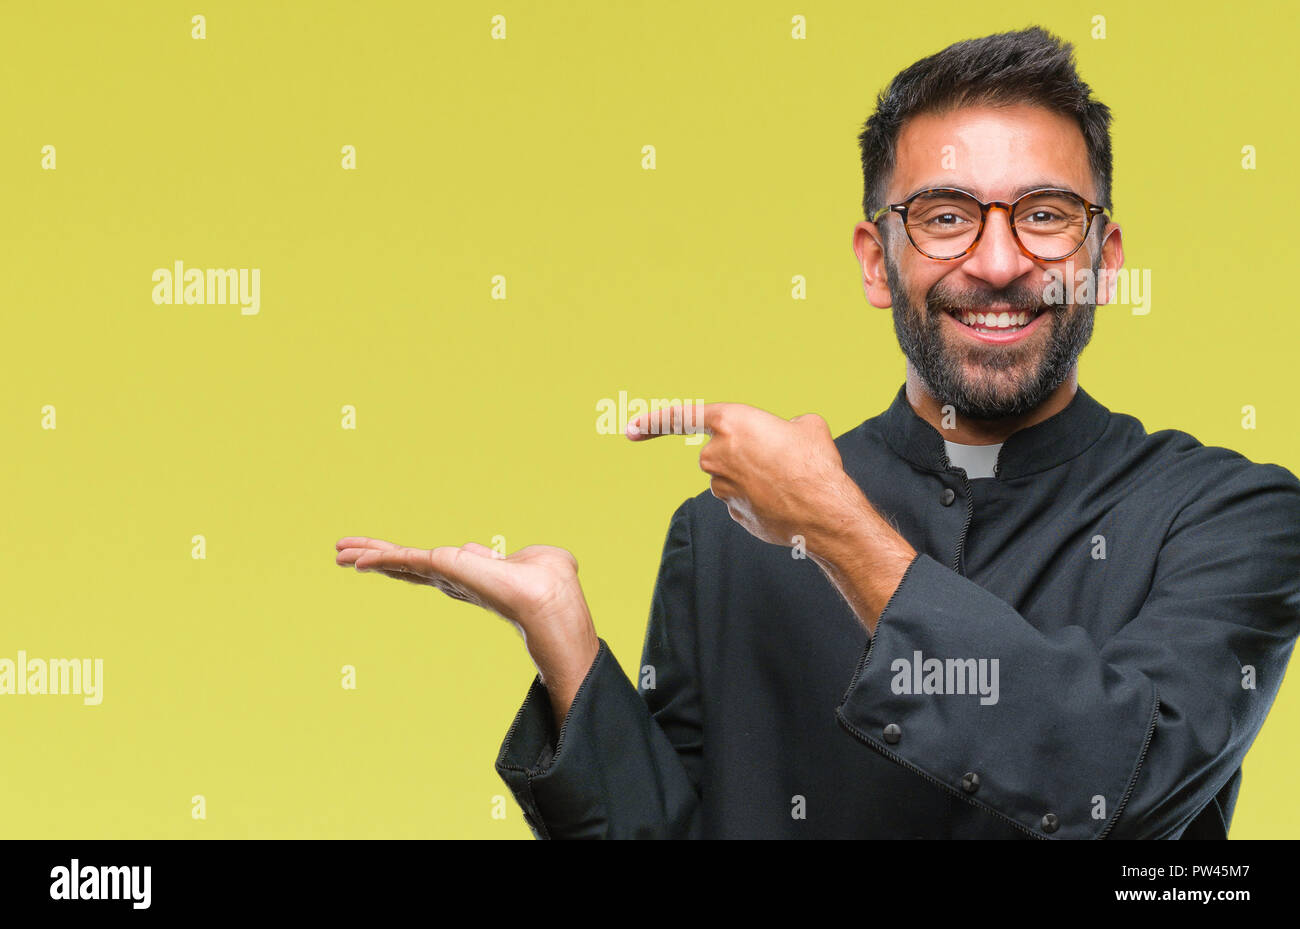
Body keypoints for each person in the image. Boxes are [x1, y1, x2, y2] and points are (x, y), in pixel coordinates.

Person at [335, 26, 1300, 839]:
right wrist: (569, 652)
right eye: (945, 216)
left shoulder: (1232, 517)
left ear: (1105, 260)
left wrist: (837, 528)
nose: (1000, 261)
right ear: (877, 263)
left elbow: (1122, 785)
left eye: (1046, 215)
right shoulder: (725, 533)